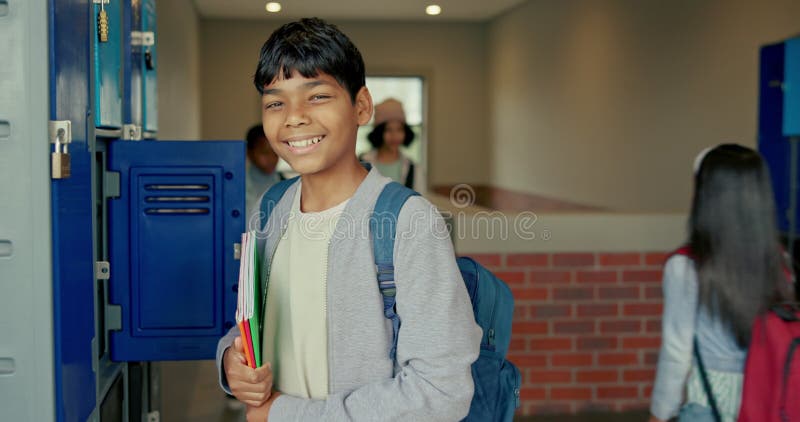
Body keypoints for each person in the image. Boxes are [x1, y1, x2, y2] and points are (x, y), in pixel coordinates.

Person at [215, 18, 481, 421]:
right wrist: (230, 364)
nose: (294, 117)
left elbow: (440, 391)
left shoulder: (408, 222)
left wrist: (283, 414)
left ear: (361, 106)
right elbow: (250, 324)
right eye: (275, 102)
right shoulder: (270, 209)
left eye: (317, 96)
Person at [649, 144, 794, 422]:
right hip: (769, 398)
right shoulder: (779, 260)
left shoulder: (686, 266)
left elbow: (676, 353)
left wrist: (659, 414)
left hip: (708, 404)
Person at [360, 98, 417, 189]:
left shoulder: (412, 168)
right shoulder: (362, 163)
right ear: (379, 132)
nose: (394, 136)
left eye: (399, 129)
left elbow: (420, 200)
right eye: (388, 129)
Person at [245, 124, 285, 216]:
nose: (271, 158)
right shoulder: (237, 188)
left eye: (275, 152)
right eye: (265, 152)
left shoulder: (288, 186)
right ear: (249, 152)